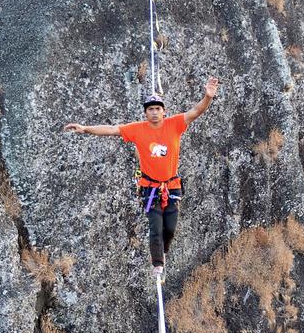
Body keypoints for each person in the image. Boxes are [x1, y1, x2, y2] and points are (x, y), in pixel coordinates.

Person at [64, 77, 220, 278]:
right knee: (155, 227)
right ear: (145, 113)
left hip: (172, 186)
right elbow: (112, 130)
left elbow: (196, 111)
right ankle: (158, 266)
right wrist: (85, 129)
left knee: (170, 228)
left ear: (164, 111)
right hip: (150, 188)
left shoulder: (175, 124)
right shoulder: (138, 129)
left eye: (157, 108)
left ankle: (162, 250)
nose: (154, 112)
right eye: (150, 109)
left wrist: (207, 97)